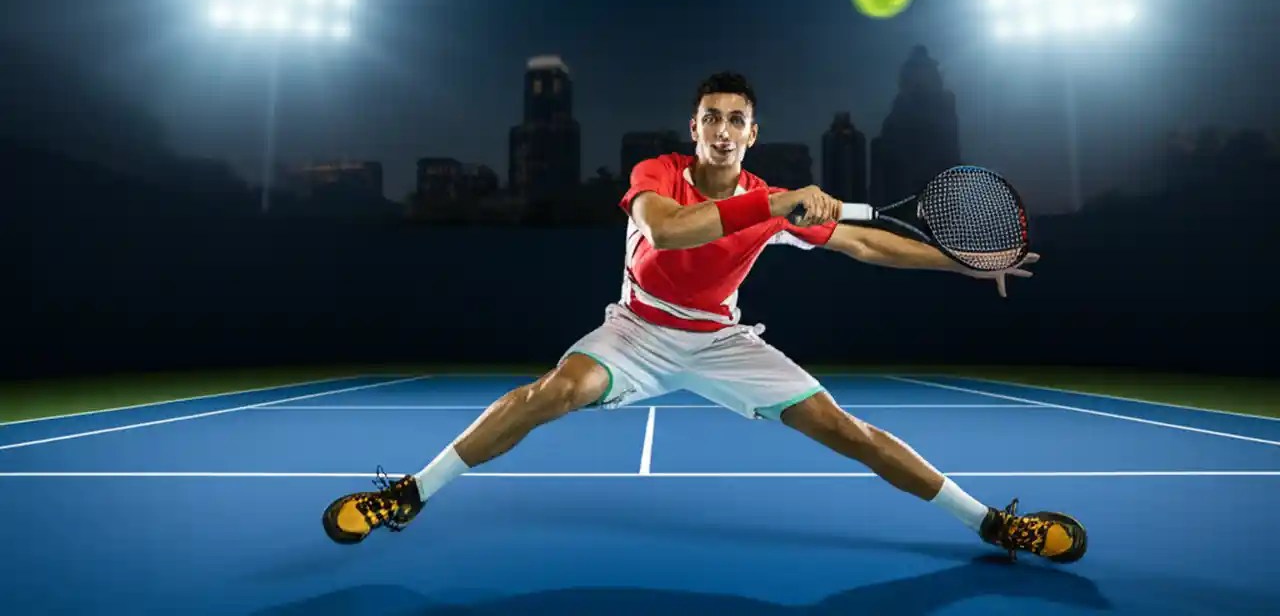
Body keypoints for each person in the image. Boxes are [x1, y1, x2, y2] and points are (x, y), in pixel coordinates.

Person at [321, 72, 1086, 564]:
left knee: (849, 432)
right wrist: (775, 203)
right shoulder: (659, 176)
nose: (722, 129)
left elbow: (865, 242)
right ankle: (409, 494)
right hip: (636, 331)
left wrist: (963, 262)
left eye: (736, 120)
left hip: (721, 342)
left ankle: (993, 524)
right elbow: (668, 232)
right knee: (548, 393)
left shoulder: (772, 201)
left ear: (752, 134)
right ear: (694, 128)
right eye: (711, 117)